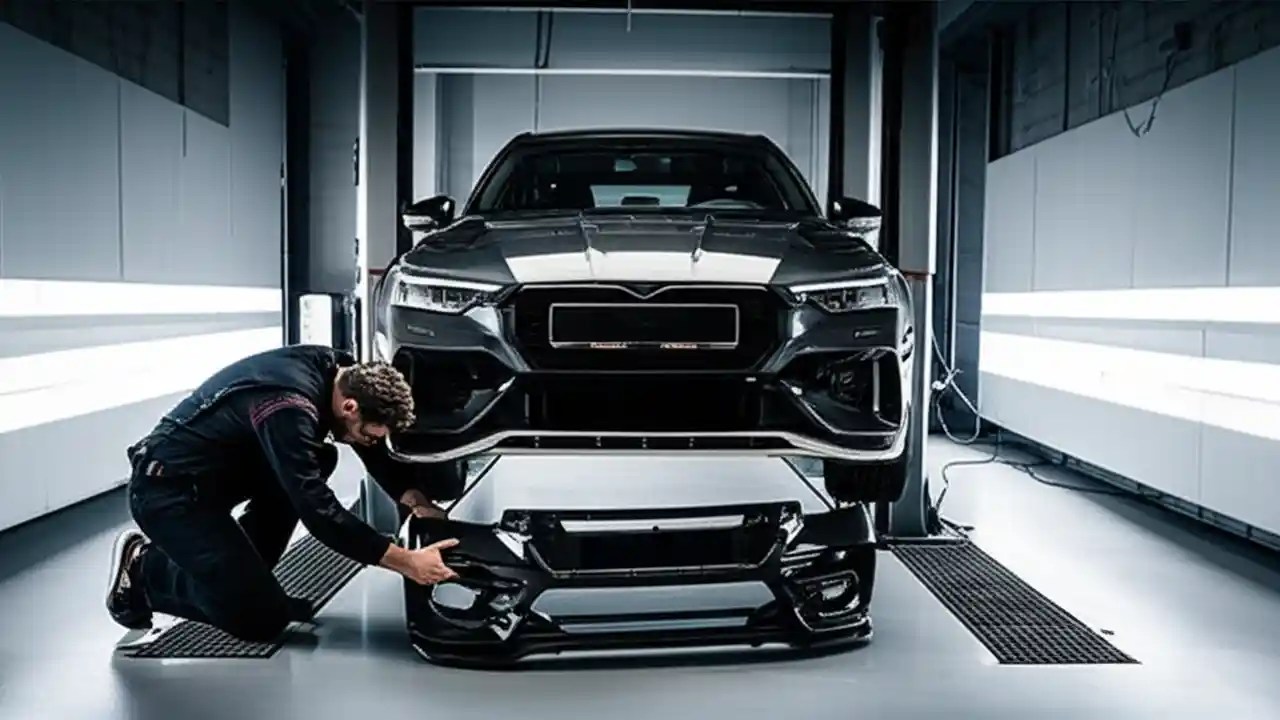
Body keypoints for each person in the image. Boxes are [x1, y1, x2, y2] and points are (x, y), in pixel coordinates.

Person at [105, 344, 462, 642]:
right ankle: (145, 572)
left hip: (211, 478)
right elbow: (318, 512)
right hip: (167, 494)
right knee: (261, 621)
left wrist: (417, 501)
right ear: (350, 407)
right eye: (368, 433)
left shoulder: (343, 373)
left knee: (320, 457)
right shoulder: (287, 407)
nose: (368, 442)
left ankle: (251, 582)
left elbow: (371, 452)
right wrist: (406, 561)